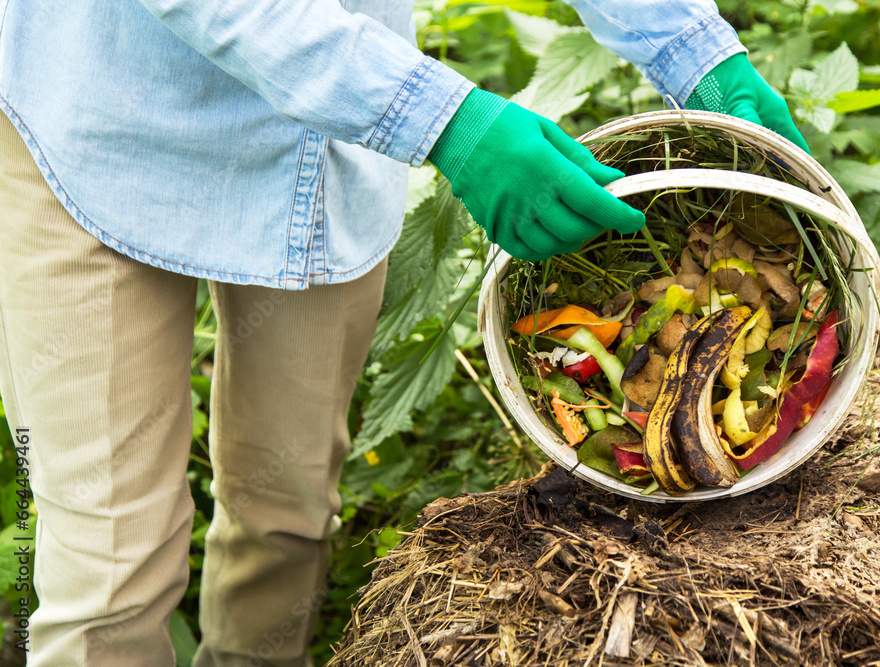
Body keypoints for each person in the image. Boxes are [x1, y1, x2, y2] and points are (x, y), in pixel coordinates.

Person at [0, 1, 807, 664]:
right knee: (111, 570)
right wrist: (448, 123)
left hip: (319, 151)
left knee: (284, 512)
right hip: (91, 126)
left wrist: (695, 50)